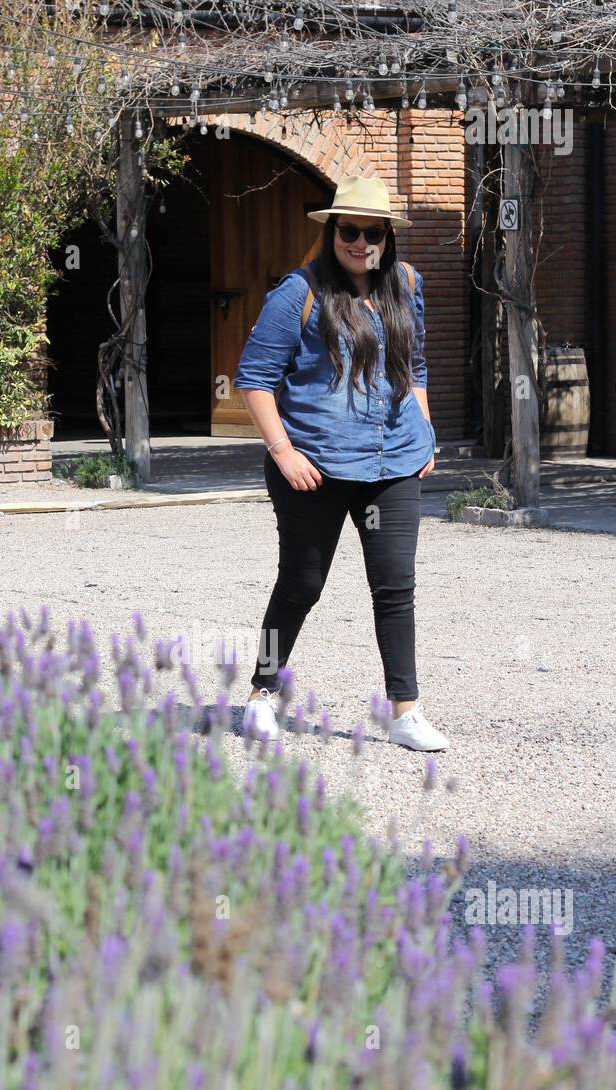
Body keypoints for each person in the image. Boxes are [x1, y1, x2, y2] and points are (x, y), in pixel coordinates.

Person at [233, 172, 449, 753]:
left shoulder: (407, 283)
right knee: (302, 583)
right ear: (331, 231)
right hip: (315, 465)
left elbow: (416, 364)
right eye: (349, 230)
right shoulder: (296, 293)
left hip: (394, 463)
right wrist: (283, 452)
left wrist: (424, 429)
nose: (361, 243)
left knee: (395, 586)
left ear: (387, 236)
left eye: (372, 233)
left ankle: (405, 710)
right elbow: (253, 380)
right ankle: (260, 694)